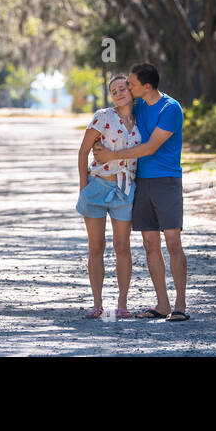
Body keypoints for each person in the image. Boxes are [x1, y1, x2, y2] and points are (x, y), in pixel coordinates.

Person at [92, 61, 188, 321]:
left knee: (173, 242)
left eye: (132, 84)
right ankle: (163, 304)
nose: (128, 87)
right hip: (140, 181)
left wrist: (112, 155)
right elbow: (114, 118)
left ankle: (180, 304)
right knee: (149, 244)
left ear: (146, 86)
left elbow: (150, 148)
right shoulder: (139, 106)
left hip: (166, 180)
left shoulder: (171, 109)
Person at [75, 75, 141, 320]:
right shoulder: (103, 116)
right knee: (96, 247)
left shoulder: (141, 119)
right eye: (113, 90)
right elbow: (83, 151)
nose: (118, 92)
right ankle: (97, 304)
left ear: (131, 90)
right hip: (98, 187)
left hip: (124, 189)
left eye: (122, 88)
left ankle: (122, 304)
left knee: (122, 246)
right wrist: (84, 187)